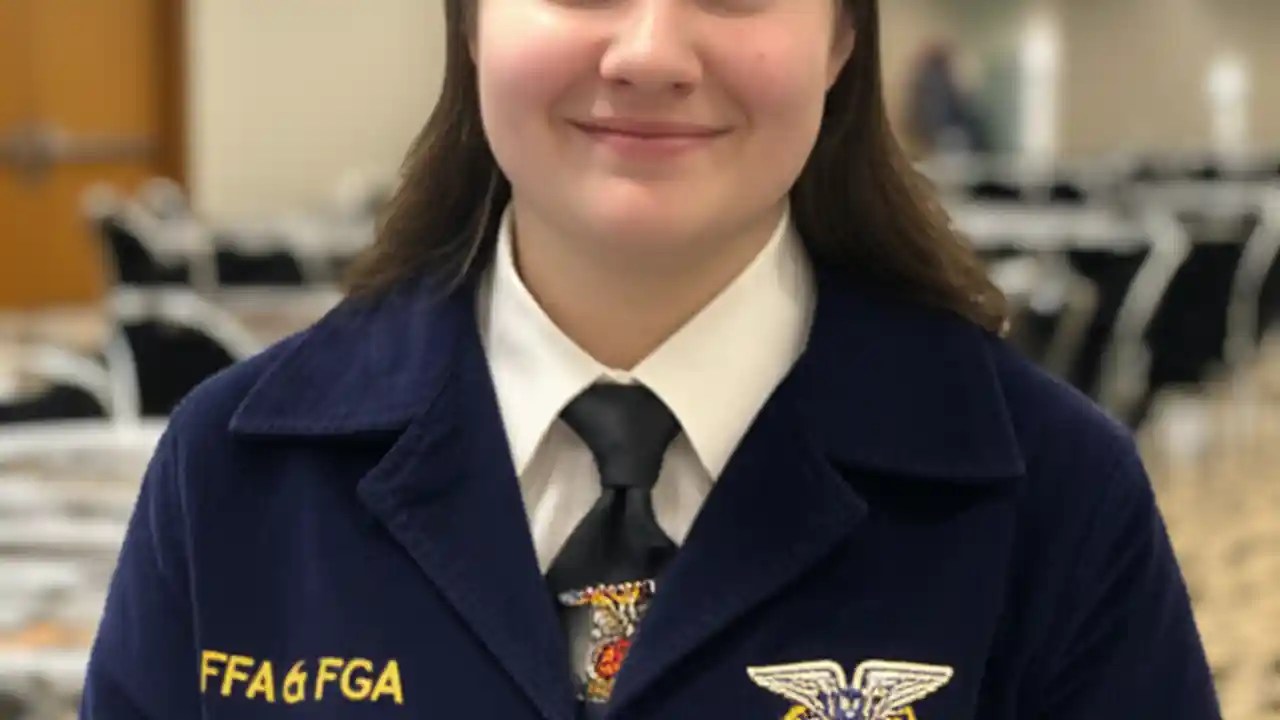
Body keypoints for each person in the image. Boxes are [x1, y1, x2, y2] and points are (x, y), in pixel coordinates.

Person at [82, 0, 1220, 718]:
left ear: (839, 37)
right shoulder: (235, 474)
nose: (649, 50)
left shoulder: (1050, 496)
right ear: (471, 19)